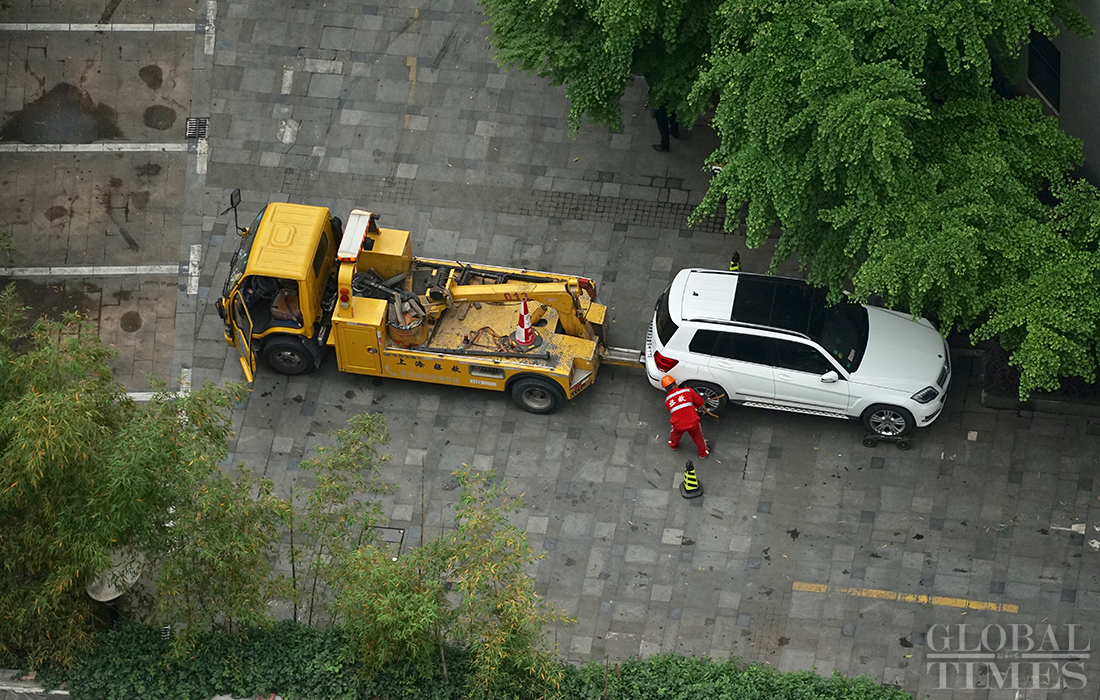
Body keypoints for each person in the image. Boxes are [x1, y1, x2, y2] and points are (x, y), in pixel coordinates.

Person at [662, 375, 709, 459]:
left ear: (666, 389)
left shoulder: (667, 400)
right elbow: (699, 402)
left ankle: (673, 445)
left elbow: (671, 411)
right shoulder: (688, 391)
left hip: (678, 424)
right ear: (676, 384)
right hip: (693, 422)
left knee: (675, 434)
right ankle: (703, 453)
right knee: (698, 437)